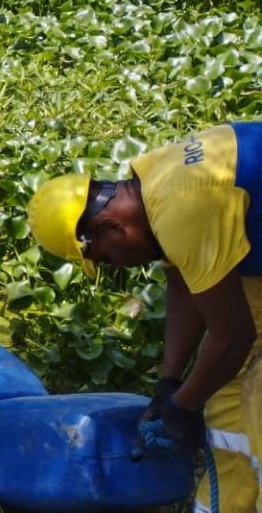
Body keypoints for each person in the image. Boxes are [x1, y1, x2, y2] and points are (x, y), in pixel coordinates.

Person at [27, 122, 260, 512]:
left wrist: (183, 406)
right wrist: (169, 384)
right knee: (228, 393)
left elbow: (234, 337)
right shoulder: (153, 178)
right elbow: (182, 284)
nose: (117, 267)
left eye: (105, 258)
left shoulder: (186, 208)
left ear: (112, 226)